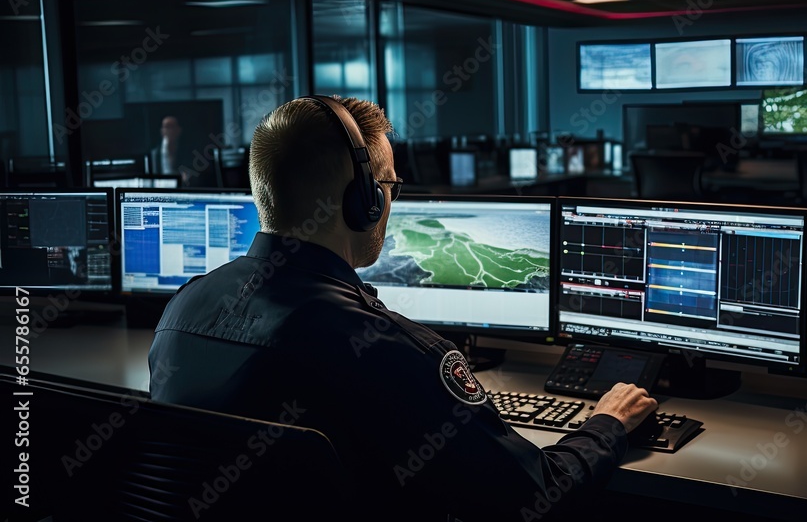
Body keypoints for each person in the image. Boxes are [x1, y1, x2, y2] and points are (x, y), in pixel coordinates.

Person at [147, 94, 658, 521]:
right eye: (388, 185)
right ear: (363, 200)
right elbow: (538, 494)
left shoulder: (183, 308)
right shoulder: (387, 349)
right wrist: (607, 423)